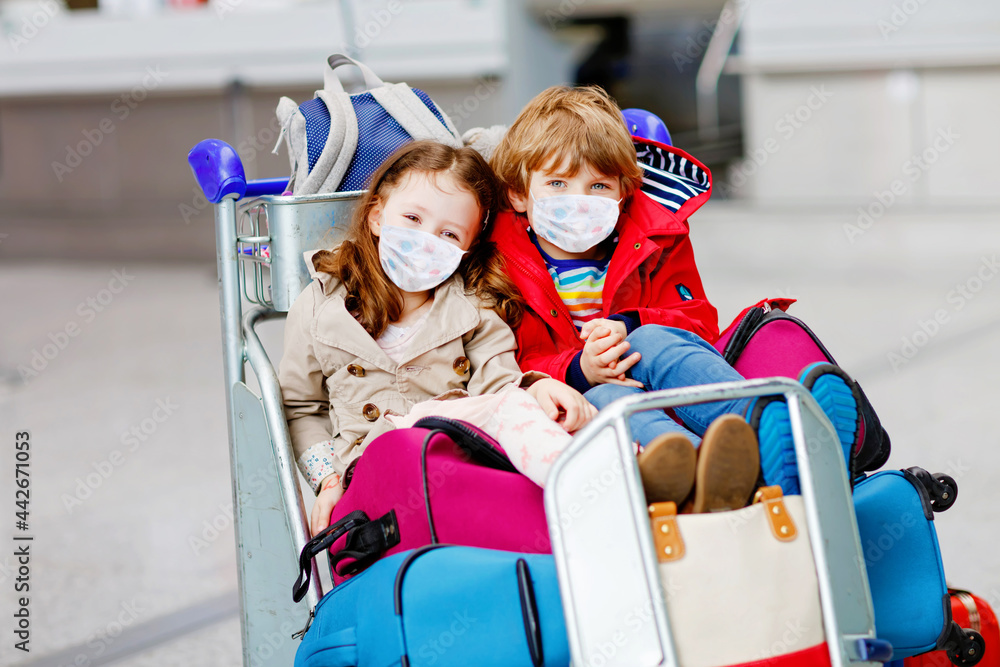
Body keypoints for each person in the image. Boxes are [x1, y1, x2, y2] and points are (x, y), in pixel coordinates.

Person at [488, 85, 858, 509]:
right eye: (557, 183)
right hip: (583, 398)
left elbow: (699, 323)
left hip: (670, 383)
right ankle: (716, 476)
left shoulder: (653, 238)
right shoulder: (499, 263)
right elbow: (504, 365)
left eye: (598, 186)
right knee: (607, 401)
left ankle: (773, 424)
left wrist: (631, 324)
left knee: (647, 340)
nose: (579, 201)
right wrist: (581, 369)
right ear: (518, 193)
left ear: (624, 191)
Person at [277, 140, 596, 536]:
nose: (426, 239)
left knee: (535, 410)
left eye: (448, 234)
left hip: (457, 463)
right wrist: (327, 480)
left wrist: (537, 388)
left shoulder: (474, 306)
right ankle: (596, 486)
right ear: (377, 216)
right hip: (369, 469)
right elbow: (300, 407)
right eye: (412, 218)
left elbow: (498, 384)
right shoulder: (321, 305)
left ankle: (615, 473)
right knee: (491, 415)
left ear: (467, 248)